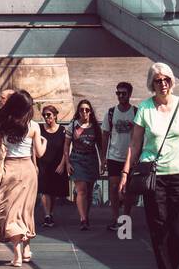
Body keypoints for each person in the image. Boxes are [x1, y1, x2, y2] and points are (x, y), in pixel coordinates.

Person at [119, 62, 179, 269]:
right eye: (158, 80)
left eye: (166, 79)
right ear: (152, 84)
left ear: (171, 81)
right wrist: (125, 172)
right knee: (158, 226)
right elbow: (135, 143)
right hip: (154, 177)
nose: (163, 84)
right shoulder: (145, 108)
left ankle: (172, 265)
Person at [0, 90, 46, 266]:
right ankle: (26, 249)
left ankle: (18, 254)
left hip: (9, 170)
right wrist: (44, 142)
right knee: (26, 211)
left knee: (10, 213)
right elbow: (40, 153)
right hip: (28, 170)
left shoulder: (4, 125)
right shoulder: (34, 126)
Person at [64, 99, 105, 230]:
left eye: (87, 110)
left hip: (91, 159)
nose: (84, 112)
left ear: (90, 112)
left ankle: (85, 216)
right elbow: (66, 146)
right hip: (77, 159)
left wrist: (102, 162)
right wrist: (67, 162)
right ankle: (83, 219)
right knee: (81, 191)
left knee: (89, 191)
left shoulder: (95, 127)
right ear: (78, 111)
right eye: (81, 110)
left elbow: (100, 146)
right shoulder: (73, 125)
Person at [102, 82, 138, 230]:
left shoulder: (136, 112)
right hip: (114, 157)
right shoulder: (111, 113)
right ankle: (115, 218)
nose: (121, 96)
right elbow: (105, 135)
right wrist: (103, 158)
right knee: (114, 187)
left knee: (129, 190)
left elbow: (140, 136)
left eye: (124, 93)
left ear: (129, 94)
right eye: (118, 93)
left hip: (131, 157)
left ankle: (126, 218)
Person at [36, 104, 69, 227]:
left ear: (55, 116)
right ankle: (47, 215)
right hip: (43, 163)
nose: (46, 117)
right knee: (44, 190)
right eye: (44, 115)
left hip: (57, 164)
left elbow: (66, 149)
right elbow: (35, 147)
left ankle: (50, 213)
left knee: (53, 191)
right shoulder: (40, 129)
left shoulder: (62, 130)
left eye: (49, 115)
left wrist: (62, 164)